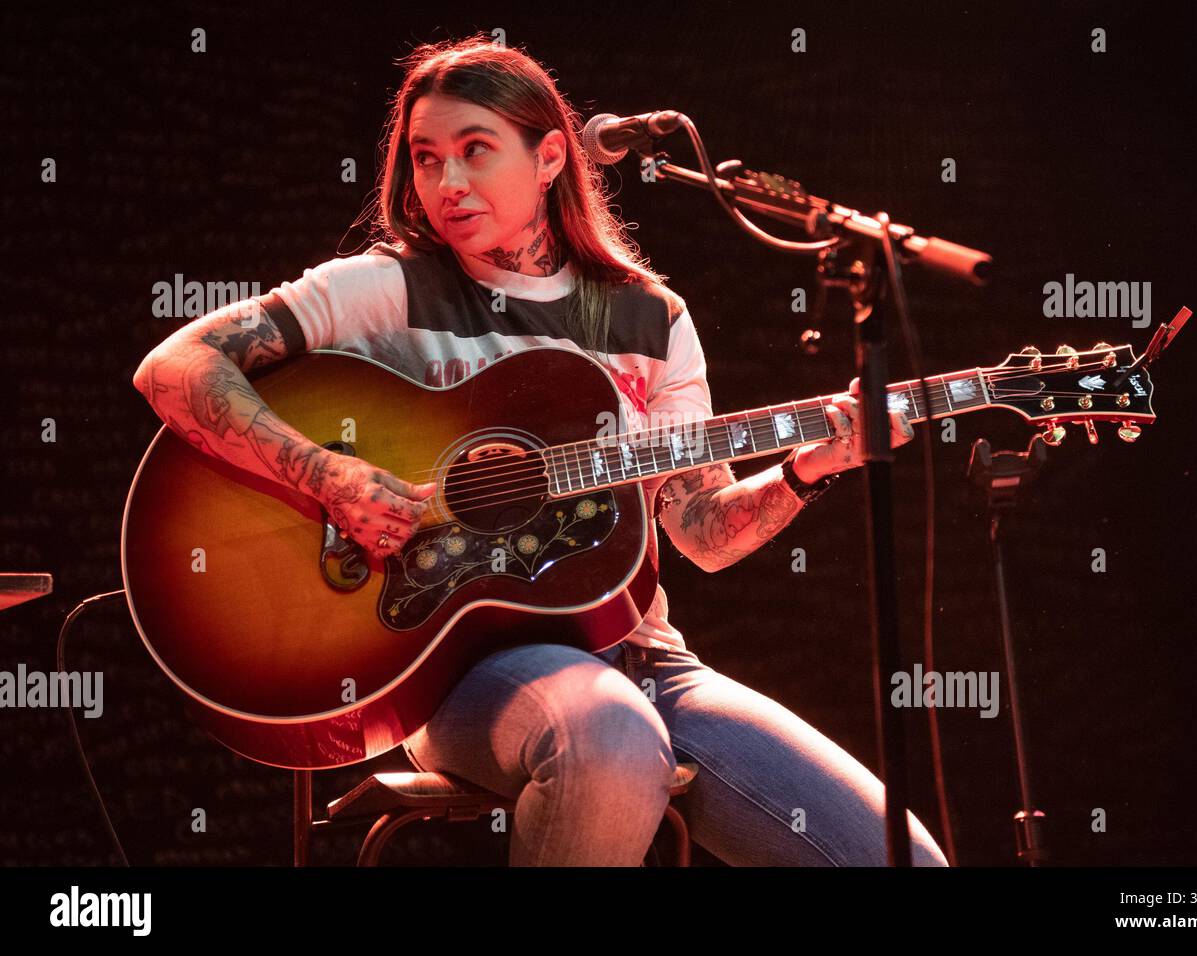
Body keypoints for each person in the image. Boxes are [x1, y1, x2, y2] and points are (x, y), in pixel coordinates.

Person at [133, 35, 946, 867]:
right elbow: (175, 367)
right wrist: (330, 474)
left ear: (552, 154)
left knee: (906, 861)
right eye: (426, 159)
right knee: (611, 739)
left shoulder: (649, 319)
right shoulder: (388, 288)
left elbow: (703, 533)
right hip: (463, 671)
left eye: (475, 152)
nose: (447, 183)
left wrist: (812, 467)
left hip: (645, 659)